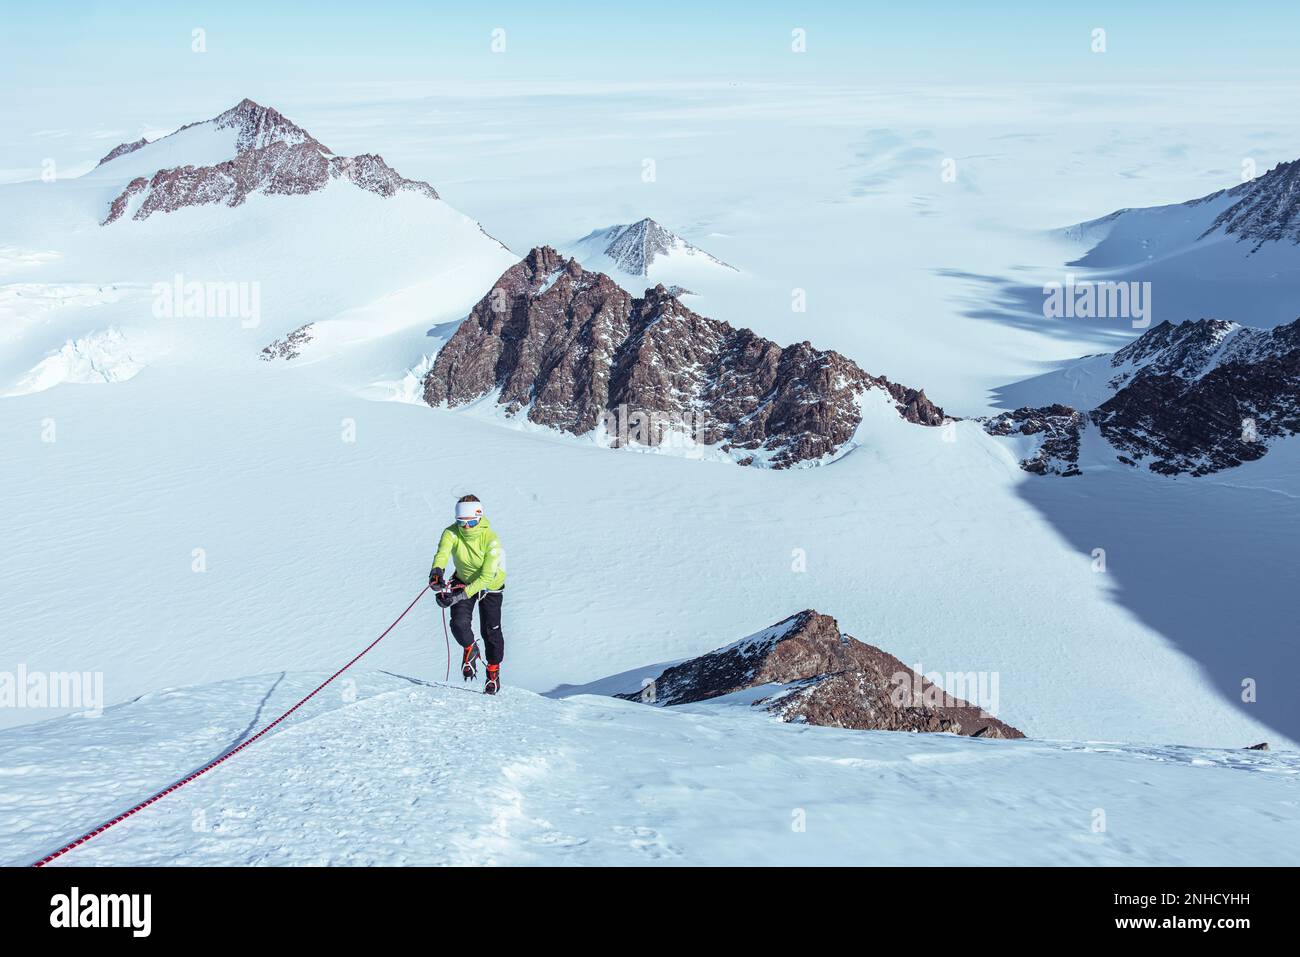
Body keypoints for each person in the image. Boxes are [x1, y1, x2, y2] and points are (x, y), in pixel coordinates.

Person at [428, 495, 506, 694]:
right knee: (458, 624)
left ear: (479, 518)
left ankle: (493, 672)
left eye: (471, 522)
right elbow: (443, 553)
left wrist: (458, 596)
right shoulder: (452, 533)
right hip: (463, 580)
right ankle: (470, 648)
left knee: (491, 632)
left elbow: (487, 577)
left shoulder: (491, 540)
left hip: (491, 587)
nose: (467, 528)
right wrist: (437, 571)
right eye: (462, 523)